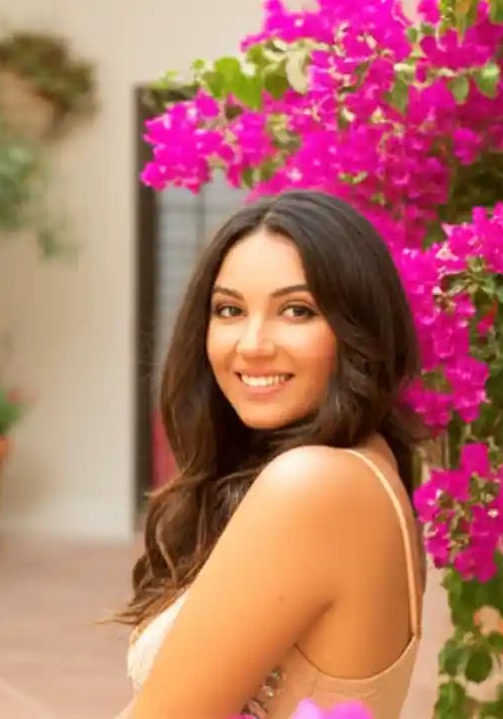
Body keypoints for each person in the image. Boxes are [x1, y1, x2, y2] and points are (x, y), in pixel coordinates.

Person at [115, 190, 427, 718]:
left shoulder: (314, 484)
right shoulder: (365, 466)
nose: (253, 343)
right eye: (230, 309)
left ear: (360, 331)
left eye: (296, 310)